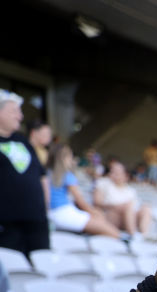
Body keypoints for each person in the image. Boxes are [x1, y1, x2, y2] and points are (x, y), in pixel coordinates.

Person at [0, 89, 49, 257]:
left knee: (42, 263)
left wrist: (45, 208)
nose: (20, 116)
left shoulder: (23, 141)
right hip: (7, 222)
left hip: (37, 219)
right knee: (12, 267)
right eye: (14, 111)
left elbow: (41, 176)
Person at [46, 143, 121, 239]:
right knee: (112, 232)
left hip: (51, 213)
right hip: (63, 213)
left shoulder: (45, 173)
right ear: (64, 158)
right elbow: (80, 201)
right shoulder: (67, 175)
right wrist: (94, 212)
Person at [93, 159, 154, 238]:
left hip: (128, 217)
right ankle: (132, 235)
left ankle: (143, 236)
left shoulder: (130, 190)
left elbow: (135, 207)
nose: (113, 174)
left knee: (146, 208)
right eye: (112, 171)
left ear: (125, 175)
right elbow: (97, 202)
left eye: (117, 172)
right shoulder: (103, 183)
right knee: (127, 207)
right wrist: (116, 206)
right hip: (110, 215)